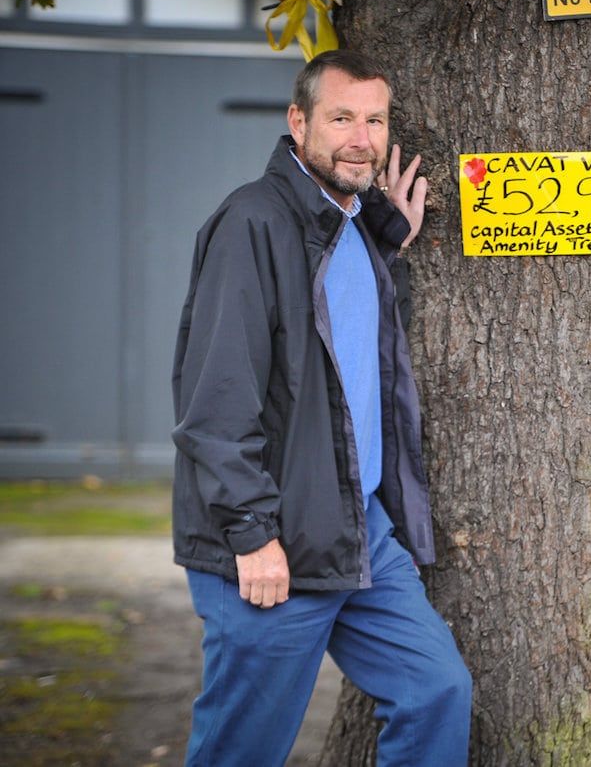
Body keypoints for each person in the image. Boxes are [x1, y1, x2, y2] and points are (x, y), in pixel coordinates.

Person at [171, 50, 471, 766]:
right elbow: (215, 401)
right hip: (270, 537)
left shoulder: (350, 228)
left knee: (436, 690)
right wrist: (251, 532)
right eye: (341, 118)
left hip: (356, 527)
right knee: (244, 749)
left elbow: (337, 344)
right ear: (298, 121)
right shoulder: (251, 222)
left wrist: (386, 238)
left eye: (375, 119)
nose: (361, 139)